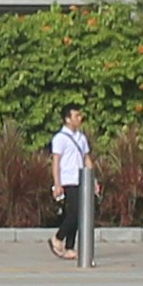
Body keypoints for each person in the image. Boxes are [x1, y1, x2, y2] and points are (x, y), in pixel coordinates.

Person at [51, 108, 93, 259]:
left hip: (82, 179)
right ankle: (58, 237)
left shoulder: (81, 138)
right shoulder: (60, 138)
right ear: (67, 119)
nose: (79, 118)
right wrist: (57, 183)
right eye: (76, 116)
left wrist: (92, 179)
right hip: (68, 180)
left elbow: (86, 158)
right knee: (75, 212)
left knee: (79, 214)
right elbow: (56, 162)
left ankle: (70, 246)